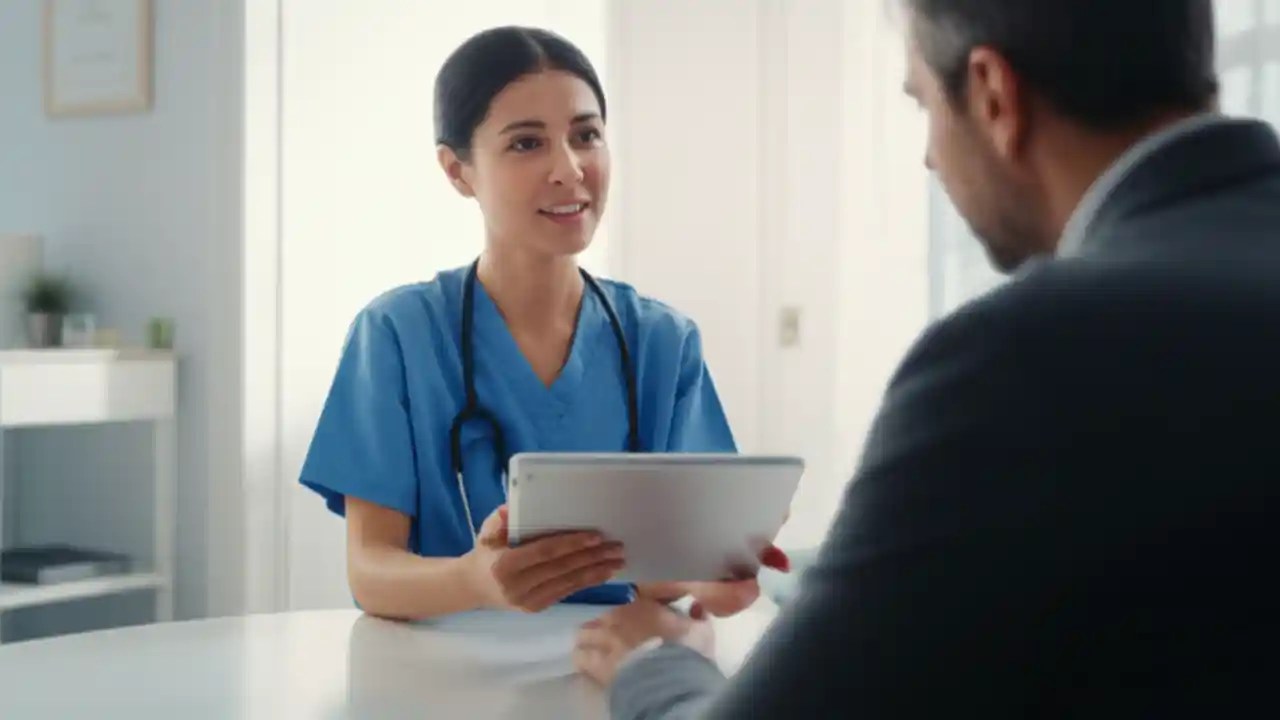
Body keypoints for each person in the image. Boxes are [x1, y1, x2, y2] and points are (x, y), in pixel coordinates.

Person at [575, 1, 1280, 717]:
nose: (929, 155)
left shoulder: (1024, 356)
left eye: (922, 105)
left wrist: (654, 668)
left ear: (993, 96)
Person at [298, 26, 786, 621]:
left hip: (607, 666)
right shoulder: (397, 335)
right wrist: (474, 580)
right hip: (440, 674)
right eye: (527, 144)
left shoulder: (662, 342)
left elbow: (661, 574)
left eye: (586, 135)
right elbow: (371, 570)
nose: (570, 169)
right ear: (458, 171)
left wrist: (712, 571)